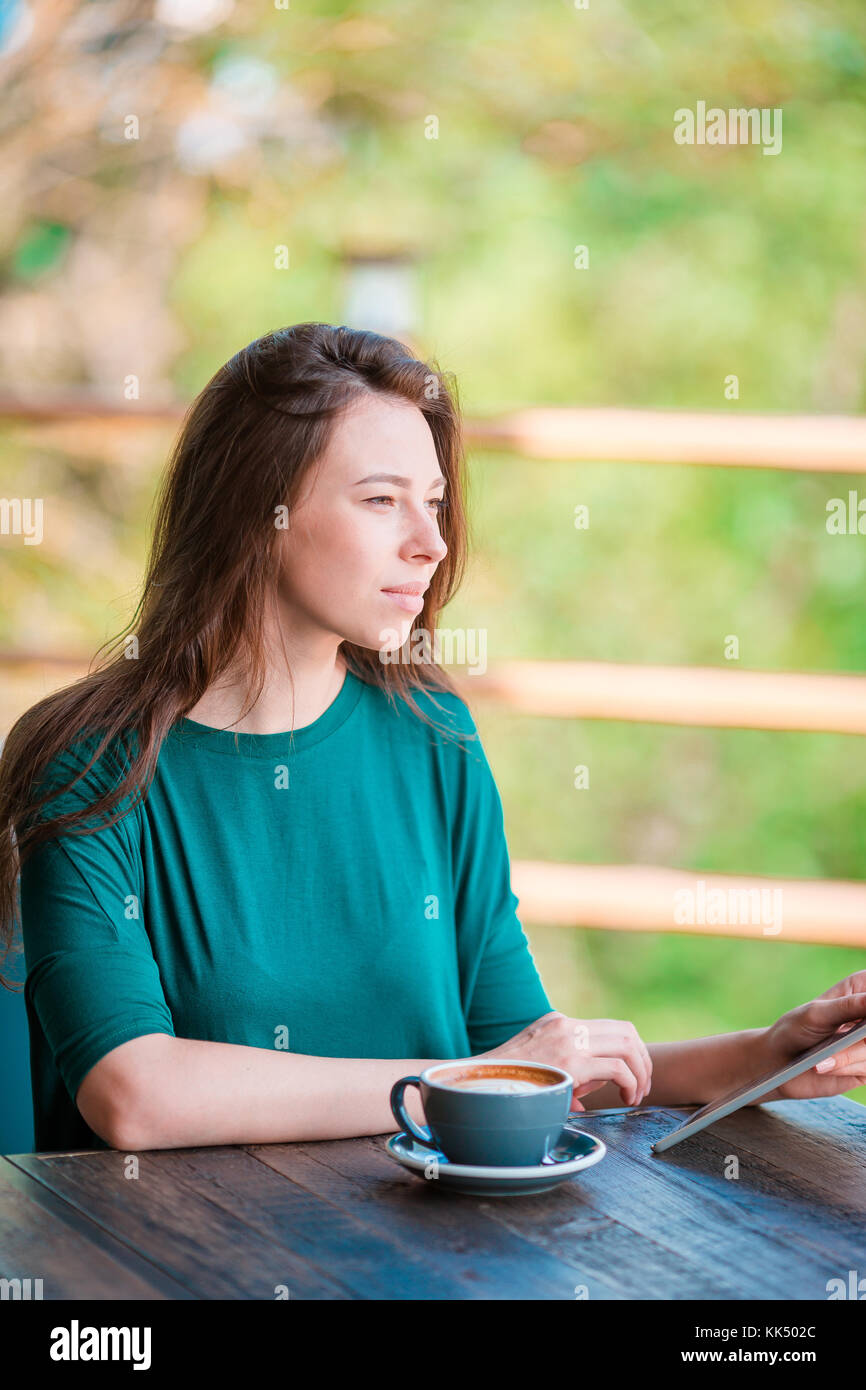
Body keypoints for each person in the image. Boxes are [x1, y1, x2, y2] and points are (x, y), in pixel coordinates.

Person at [1, 322, 864, 1154]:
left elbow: (518, 1064)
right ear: (254, 514)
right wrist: (462, 1077)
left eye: (436, 504)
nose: (432, 543)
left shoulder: (432, 733)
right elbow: (133, 1094)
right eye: (382, 500)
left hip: (426, 1257)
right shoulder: (92, 761)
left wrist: (764, 1058)